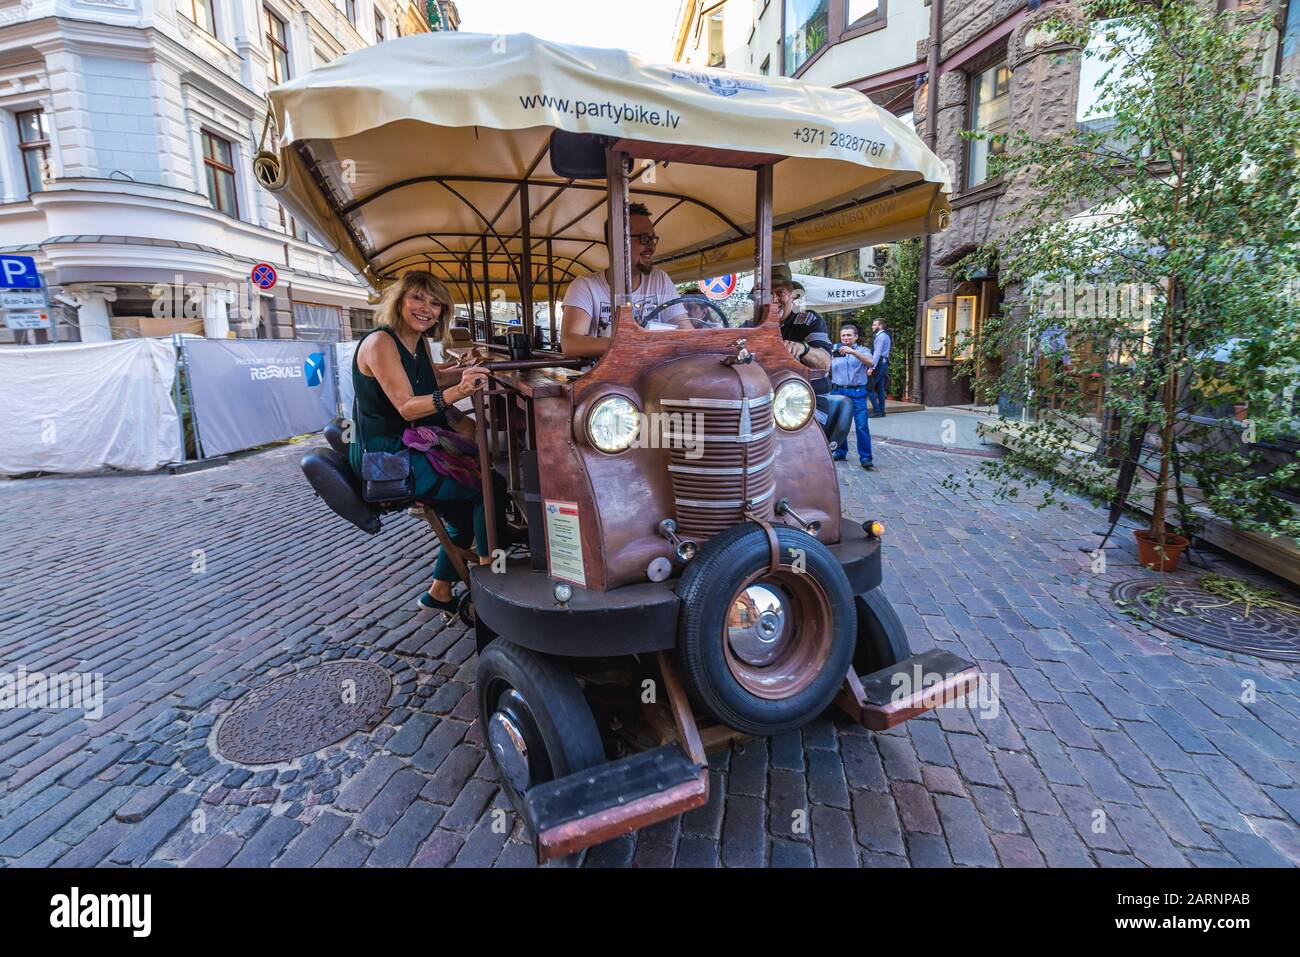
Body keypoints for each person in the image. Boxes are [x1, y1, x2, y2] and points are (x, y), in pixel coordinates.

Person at [349, 271, 504, 613]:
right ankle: (494, 585)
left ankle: (439, 593)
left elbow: (433, 377)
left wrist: (473, 367)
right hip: (388, 456)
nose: (426, 309)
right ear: (399, 301)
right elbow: (406, 406)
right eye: (418, 298)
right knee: (488, 487)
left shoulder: (414, 341)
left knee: (464, 516)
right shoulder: (380, 343)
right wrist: (461, 389)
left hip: (410, 444)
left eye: (435, 304)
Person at [560, 202, 690, 359]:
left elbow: (686, 332)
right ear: (618, 242)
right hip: (604, 374)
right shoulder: (586, 286)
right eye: (644, 238)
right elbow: (570, 343)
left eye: (652, 238)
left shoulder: (659, 279)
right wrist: (633, 343)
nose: (651, 246)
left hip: (653, 372)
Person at [829, 321, 875, 470]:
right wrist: (828, 357)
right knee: (838, 425)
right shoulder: (834, 350)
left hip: (857, 392)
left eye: (849, 335)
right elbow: (825, 368)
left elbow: (871, 362)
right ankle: (840, 452)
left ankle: (866, 458)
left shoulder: (863, 350)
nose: (845, 338)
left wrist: (853, 352)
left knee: (861, 426)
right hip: (838, 391)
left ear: (856, 337)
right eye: (843, 335)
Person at [866, 317, 892, 417]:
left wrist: (871, 367)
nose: (872, 326)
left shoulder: (881, 337)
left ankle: (877, 410)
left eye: (874, 325)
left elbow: (877, 353)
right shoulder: (885, 335)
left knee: (869, 387)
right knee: (880, 388)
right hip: (883, 363)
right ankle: (881, 411)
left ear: (880, 326)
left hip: (879, 363)